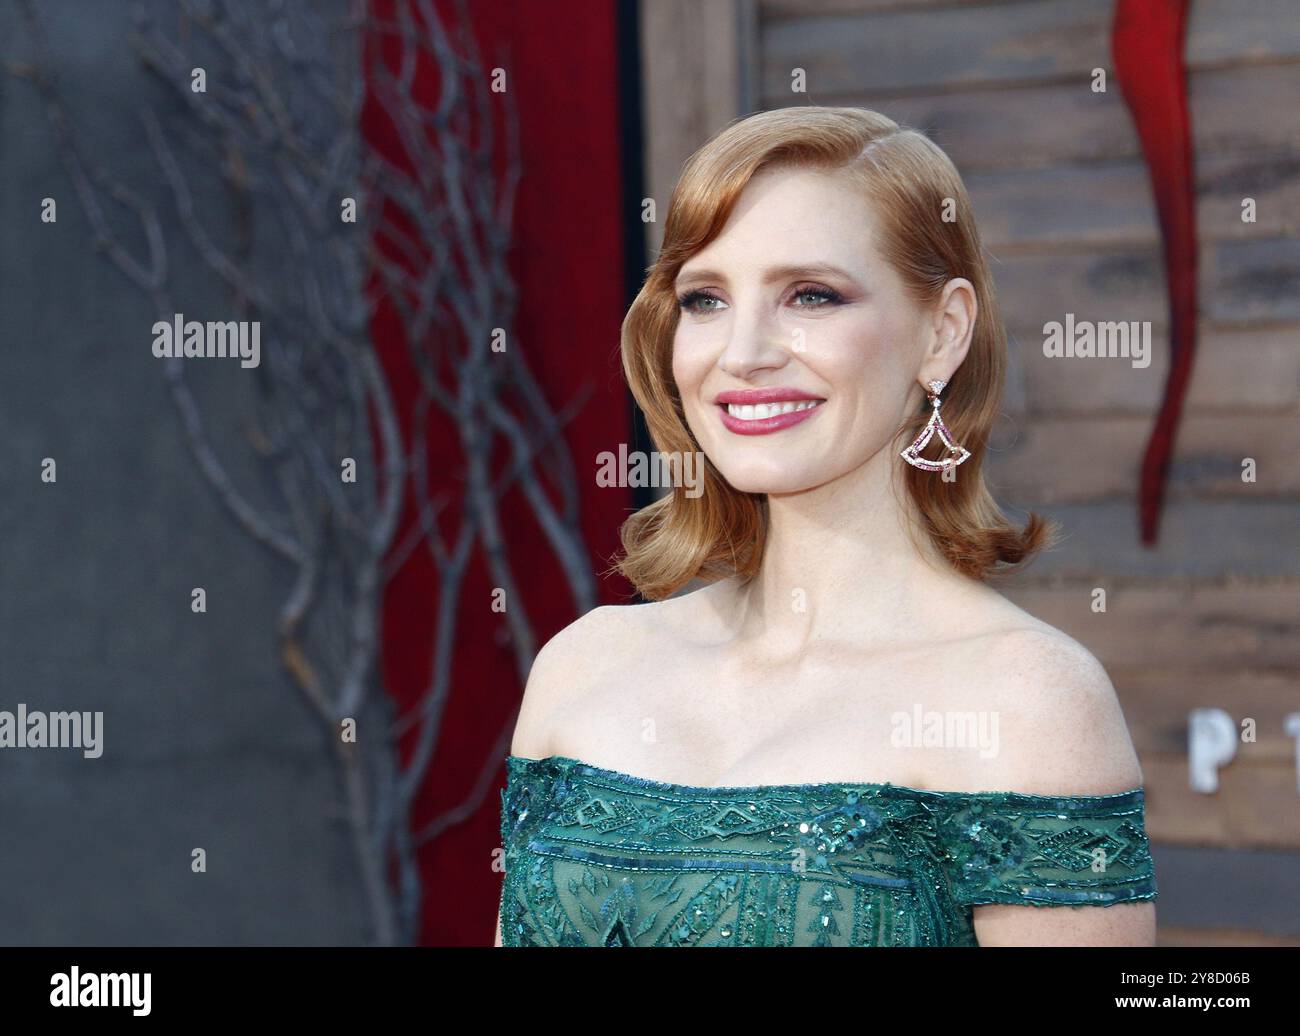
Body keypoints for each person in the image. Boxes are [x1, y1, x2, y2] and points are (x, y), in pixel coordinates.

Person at [495, 106, 1157, 947]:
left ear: (942, 333)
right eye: (704, 298)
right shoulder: (581, 667)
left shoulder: (1028, 702)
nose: (742, 352)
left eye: (811, 295)